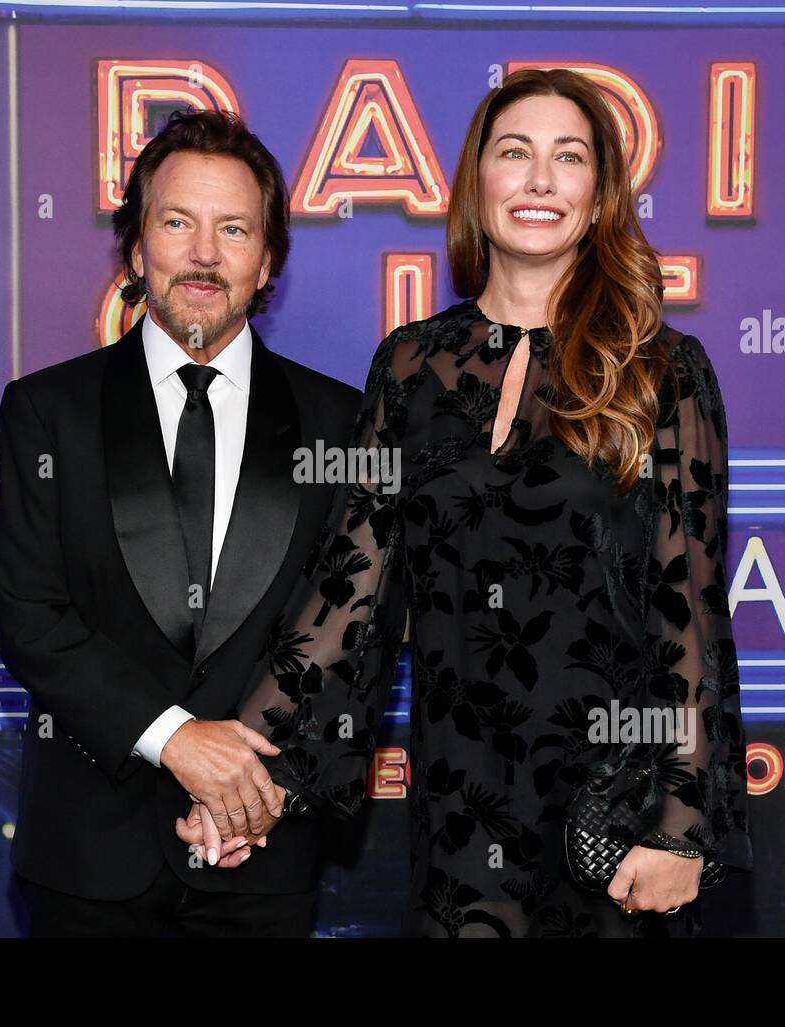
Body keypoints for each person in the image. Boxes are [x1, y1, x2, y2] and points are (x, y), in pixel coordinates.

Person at [184, 67, 753, 937]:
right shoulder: (410, 366)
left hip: (614, 821)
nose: (538, 180)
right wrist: (247, 782)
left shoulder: (664, 370)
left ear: (598, 192)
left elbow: (694, 613)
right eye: (514, 152)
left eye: (568, 158)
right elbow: (349, 592)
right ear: (476, 181)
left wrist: (683, 821)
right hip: (461, 809)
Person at [0, 109, 361, 936]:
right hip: (85, 863)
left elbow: (352, 630)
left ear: (267, 262)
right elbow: (31, 617)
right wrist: (177, 739)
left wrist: (256, 796)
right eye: (177, 221)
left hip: (262, 855)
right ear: (135, 248)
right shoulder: (47, 411)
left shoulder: (341, 423)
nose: (204, 253)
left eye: (233, 228)